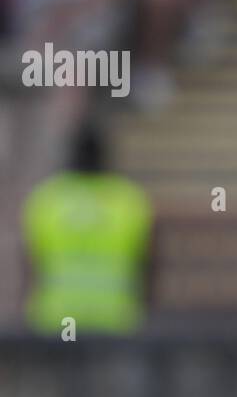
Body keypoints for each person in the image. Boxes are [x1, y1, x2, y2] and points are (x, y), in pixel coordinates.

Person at [22, 121, 153, 335]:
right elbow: (147, 264)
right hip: (115, 318)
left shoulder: (46, 199)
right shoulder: (128, 200)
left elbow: (30, 264)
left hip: (55, 318)